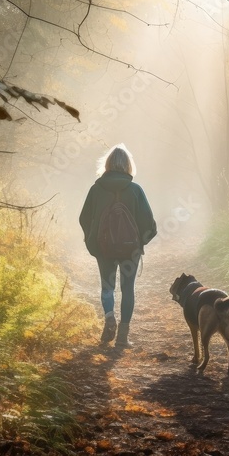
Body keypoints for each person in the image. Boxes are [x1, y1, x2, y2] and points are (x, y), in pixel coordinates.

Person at [79, 144, 156, 347]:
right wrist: (140, 243)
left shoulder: (96, 190)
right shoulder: (135, 190)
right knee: (127, 288)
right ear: (128, 165)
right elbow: (149, 223)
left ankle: (109, 318)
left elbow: (84, 218)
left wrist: (92, 241)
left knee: (107, 287)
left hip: (103, 248)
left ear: (107, 164)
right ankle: (123, 336)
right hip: (130, 249)